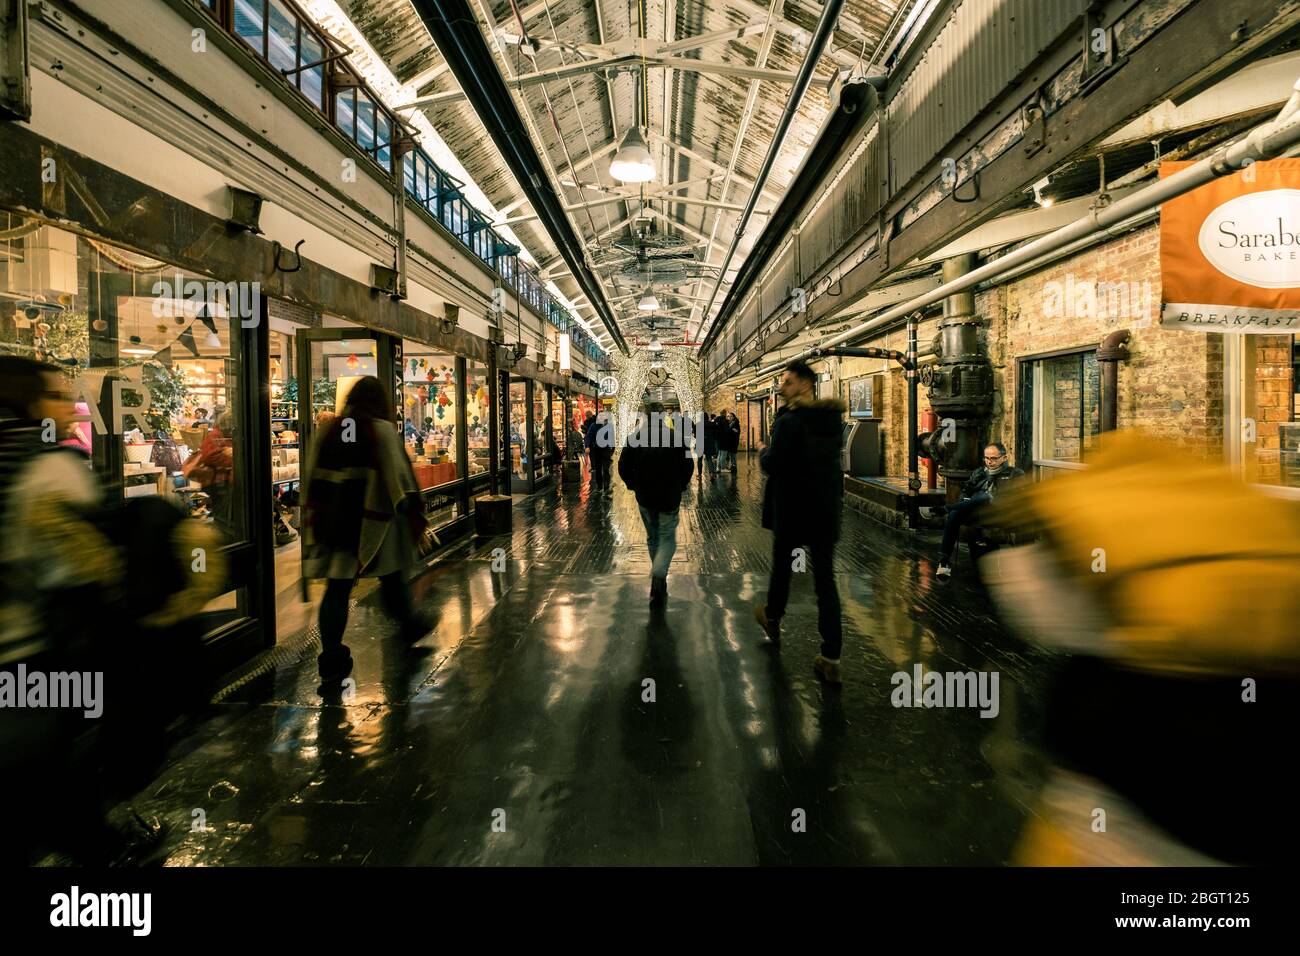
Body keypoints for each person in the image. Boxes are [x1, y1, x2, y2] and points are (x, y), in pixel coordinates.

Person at [302, 376, 434, 685]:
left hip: (337, 525)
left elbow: (311, 480)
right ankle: (409, 625)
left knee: (337, 589)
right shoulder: (381, 430)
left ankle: (331, 658)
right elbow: (400, 481)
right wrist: (415, 518)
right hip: (375, 524)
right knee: (391, 578)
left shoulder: (329, 431)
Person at [753, 360, 847, 683]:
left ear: (806, 384)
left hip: (792, 509)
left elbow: (775, 465)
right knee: (825, 582)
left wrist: (763, 451)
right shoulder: (833, 421)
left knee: (783, 569)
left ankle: (773, 617)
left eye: (788, 382)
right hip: (823, 511)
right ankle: (831, 656)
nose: (782, 387)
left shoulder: (789, 422)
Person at [618, 406, 695, 606]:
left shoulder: (635, 436)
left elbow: (623, 465)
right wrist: (682, 484)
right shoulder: (676, 437)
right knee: (667, 538)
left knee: (653, 537)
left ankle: (658, 579)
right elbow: (688, 465)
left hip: (645, 496)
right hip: (669, 495)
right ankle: (659, 573)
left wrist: (633, 485)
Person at [936, 441, 1024, 580]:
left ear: (1004, 458)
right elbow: (965, 492)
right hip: (977, 512)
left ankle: (945, 509)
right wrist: (965, 500)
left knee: (985, 496)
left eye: (994, 458)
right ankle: (944, 562)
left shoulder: (1015, 474)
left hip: (1000, 513)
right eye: (987, 458)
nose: (989, 462)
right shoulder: (979, 473)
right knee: (954, 514)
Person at [586, 410, 613, 493]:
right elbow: (588, 436)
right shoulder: (593, 426)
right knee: (598, 468)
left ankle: (606, 487)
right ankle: (599, 486)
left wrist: (612, 449)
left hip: (606, 449)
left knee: (606, 469)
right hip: (596, 449)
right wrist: (587, 446)